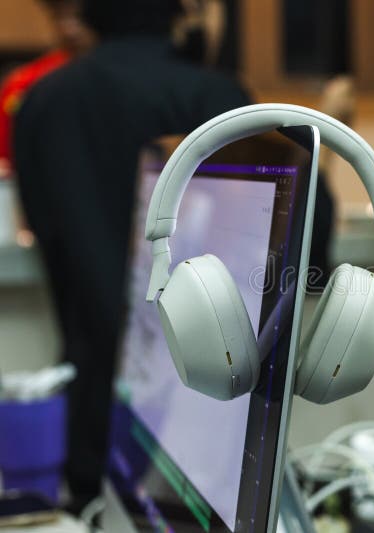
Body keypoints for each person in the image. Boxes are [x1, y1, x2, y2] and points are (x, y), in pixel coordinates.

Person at [13, 0, 250, 509]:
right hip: (199, 426)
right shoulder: (215, 95)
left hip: (87, 422)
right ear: (176, 14)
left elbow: (43, 231)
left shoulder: (41, 101)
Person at [0, 0, 95, 177]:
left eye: (78, 17)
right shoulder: (24, 83)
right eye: (59, 16)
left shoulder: (117, 79)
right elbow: (5, 159)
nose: (69, 28)